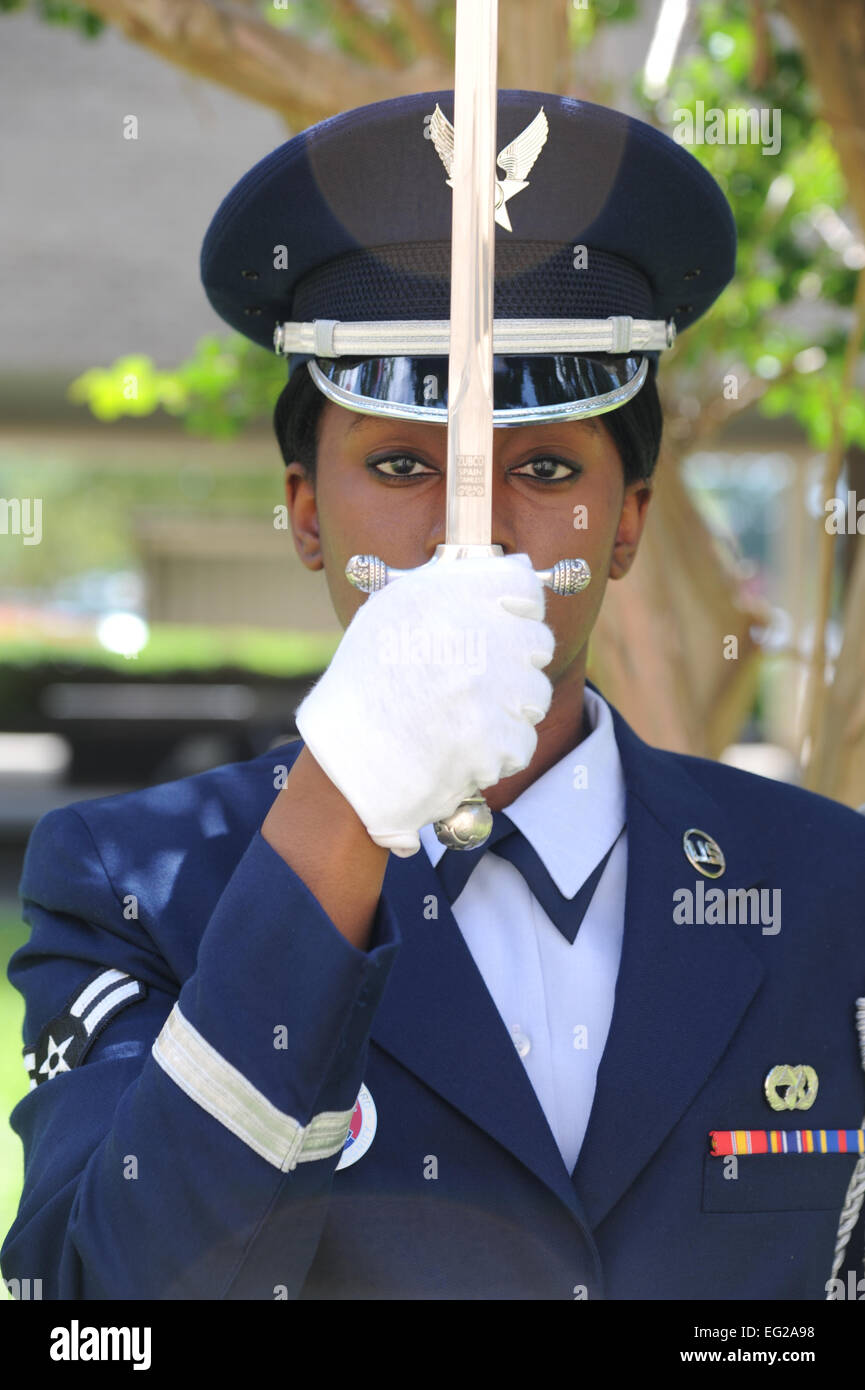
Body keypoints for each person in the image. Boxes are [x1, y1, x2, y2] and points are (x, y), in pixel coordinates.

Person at [3, 90, 865, 1302]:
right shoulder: (133, 884)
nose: (473, 531)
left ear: (628, 522)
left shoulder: (833, 885)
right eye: (404, 465)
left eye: (548, 467)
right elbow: (103, 1304)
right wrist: (345, 798)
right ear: (307, 512)